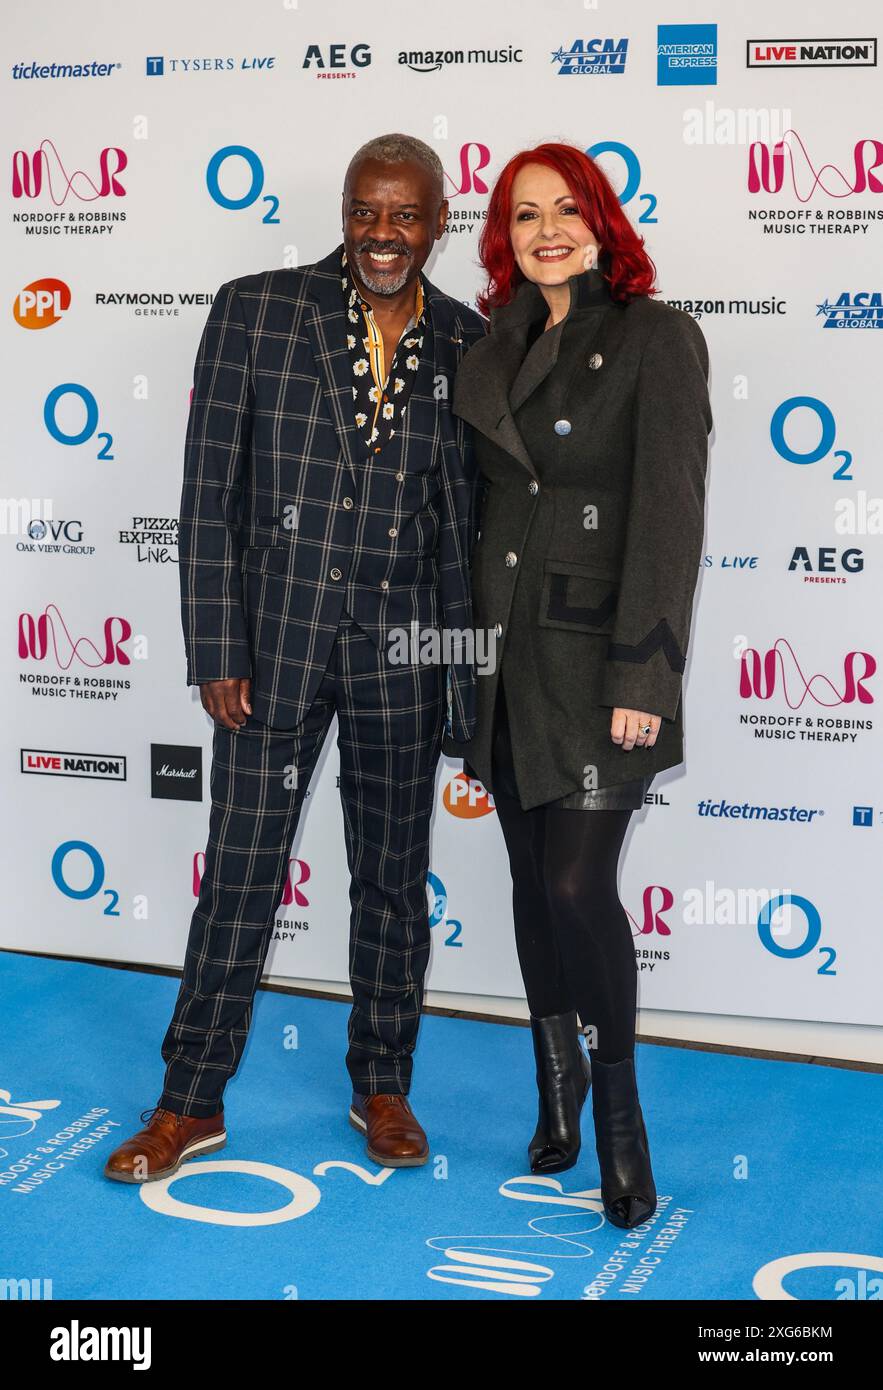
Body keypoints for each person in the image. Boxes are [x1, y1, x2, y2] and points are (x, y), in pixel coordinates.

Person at [104, 133, 487, 1183]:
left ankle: (383, 1084)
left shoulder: (467, 339)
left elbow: (464, 531)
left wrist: (463, 680)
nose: (381, 233)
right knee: (239, 873)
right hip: (270, 651)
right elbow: (207, 497)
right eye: (366, 210)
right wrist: (218, 646)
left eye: (404, 215)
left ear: (438, 221)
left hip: (403, 654)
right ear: (346, 213)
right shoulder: (256, 309)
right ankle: (188, 1102)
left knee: (393, 882)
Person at [444, 142, 712, 1228]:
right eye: (522, 215)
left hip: (598, 661)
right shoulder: (493, 343)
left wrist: (643, 671)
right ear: (502, 237)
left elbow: (670, 516)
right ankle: (554, 1082)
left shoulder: (654, 337)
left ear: (603, 221)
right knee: (524, 879)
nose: (545, 229)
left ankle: (617, 1116)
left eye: (565, 208)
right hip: (500, 655)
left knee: (572, 887)